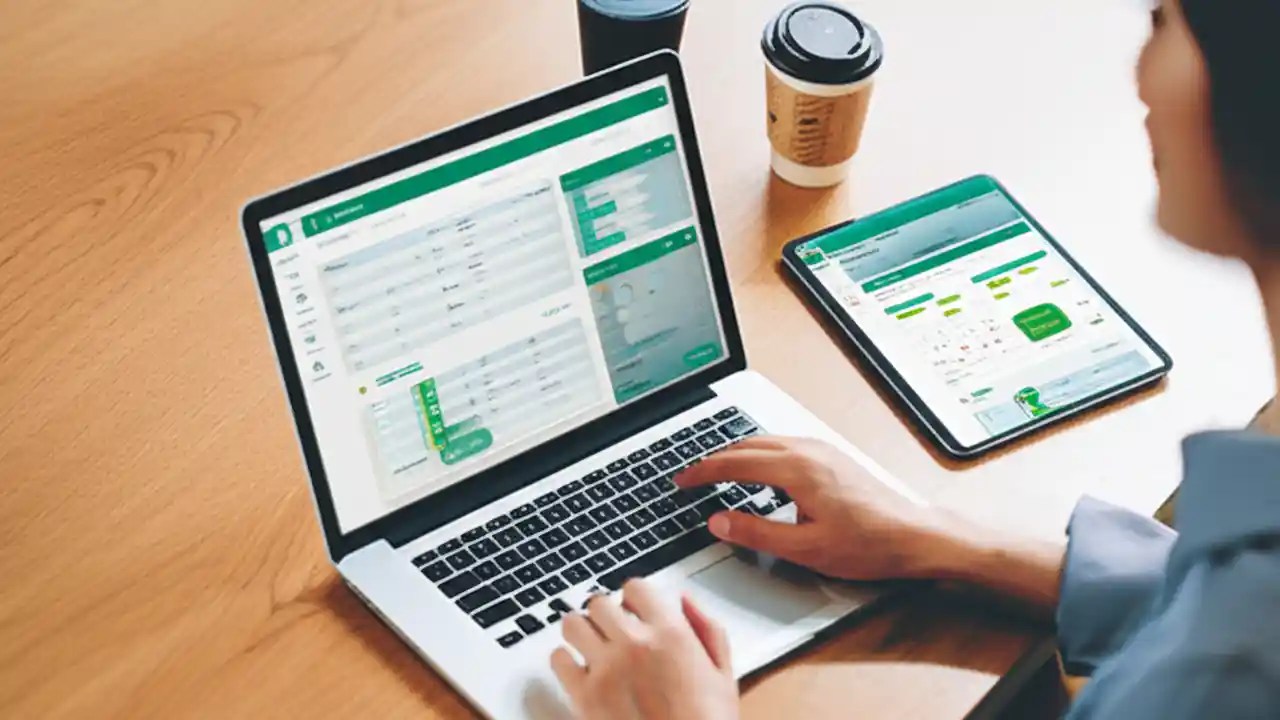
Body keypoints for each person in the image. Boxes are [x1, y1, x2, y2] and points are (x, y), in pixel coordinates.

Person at [548, 0, 1280, 717]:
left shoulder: (1225, 671)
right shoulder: (1240, 613)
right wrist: (934, 541)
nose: (1141, 73)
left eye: (1162, 22)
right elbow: (1216, 601)